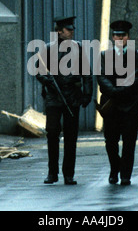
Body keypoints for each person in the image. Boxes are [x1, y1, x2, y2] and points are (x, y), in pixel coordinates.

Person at [36, 16, 92, 185]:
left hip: (72, 95)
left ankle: (69, 173)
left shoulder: (79, 48)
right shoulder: (47, 49)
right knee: (52, 133)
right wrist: (47, 81)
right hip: (54, 96)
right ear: (59, 31)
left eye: (72, 28)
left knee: (71, 136)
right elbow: (39, 71)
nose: (72, 31)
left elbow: (87, 74)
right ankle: (52, 173)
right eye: (68, 29)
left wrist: (87, 95)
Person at [97, 20, 138, 185]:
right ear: (112, 37)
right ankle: (114, 168)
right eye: (116, 35)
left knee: (129, 142)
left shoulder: (137, 56)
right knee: (110, 141)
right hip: (111, 104)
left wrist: (123, 90)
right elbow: (101, 76)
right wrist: (113, 91)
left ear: (128, 37)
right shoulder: (104, 56)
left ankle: (125, 174)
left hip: (129, 104)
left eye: (122, 35)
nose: (119, 38)